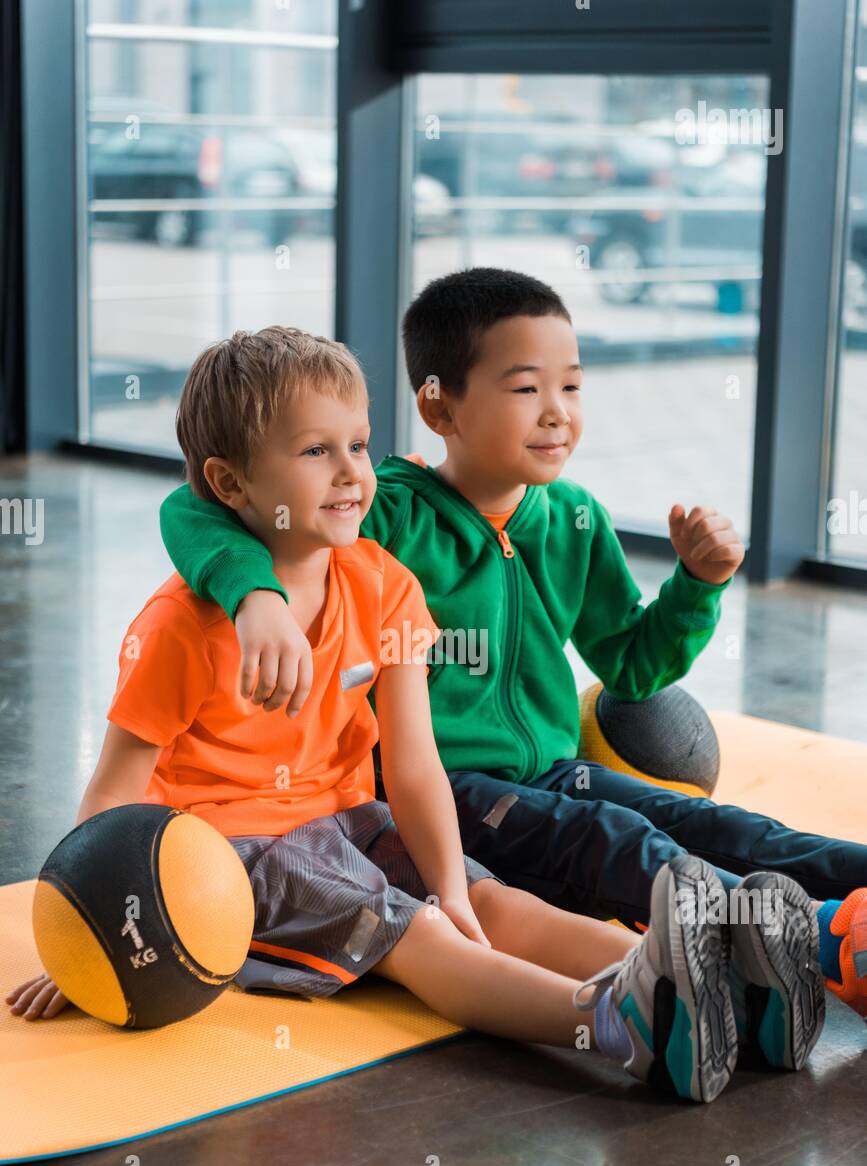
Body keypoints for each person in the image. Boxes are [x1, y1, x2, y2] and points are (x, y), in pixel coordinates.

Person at [6, 326, 826, 1103]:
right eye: (314, 451)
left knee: (498, 907)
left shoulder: (384, 584)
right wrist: (89, 934)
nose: (350, 473)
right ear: (229, 484)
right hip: (232, 858)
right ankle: (619, 1025)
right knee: (419, 939)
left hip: (353, 815)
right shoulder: (180, 625)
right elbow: (114, 796)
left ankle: (722, 979)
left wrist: (451, 883)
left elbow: (412, 762)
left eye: (357, 445)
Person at [155, 269, 867, 1023]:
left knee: (704, 822)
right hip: (434, 790)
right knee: (611, 838)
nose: (556, 414)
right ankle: (819, 944)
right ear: (438, 404)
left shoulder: (574, 520)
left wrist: (695, 585)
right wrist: (253, 593)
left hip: (553, 770)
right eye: (526, 389)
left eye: (572, 387)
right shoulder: (383, 509)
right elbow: (192, 506)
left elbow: (630, 665)